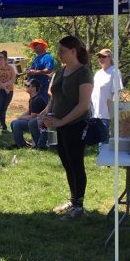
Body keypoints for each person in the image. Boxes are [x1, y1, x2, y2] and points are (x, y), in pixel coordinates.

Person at [40, 36, 92, 220]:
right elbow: (54, 98)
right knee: (67, 164)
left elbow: (83, 105)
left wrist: (61, 122)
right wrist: (45, 114)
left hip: (76, 126)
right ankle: (73, 200)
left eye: (62, 51)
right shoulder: (60, 72)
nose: (59, 54)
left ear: (73, 51)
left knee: (76, 164)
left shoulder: (83, 73)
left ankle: (79, 206)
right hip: (58, 126)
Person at [89, 48, 122, 149]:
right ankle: (101, 155)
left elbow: (116, 92)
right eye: (99, 56)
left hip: (106, 113)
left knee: (104, 140)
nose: (101, 59)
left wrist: (113, 111)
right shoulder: (98, 73)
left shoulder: (114, 72)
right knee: (98, 138)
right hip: (95, 111)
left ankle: (105, 157)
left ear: (110, 58)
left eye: (103, 56)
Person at [11, 79, 49, 149]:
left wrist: (20, 118)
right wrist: (20, 117)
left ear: (34, 88)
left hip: (39, 124)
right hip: (34, 121)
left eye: (28, 86)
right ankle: (20, 143)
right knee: (14, 122)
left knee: (17, 124)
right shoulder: (32, 98)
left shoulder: (37, 100)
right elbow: (29, 111)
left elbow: (32, 116)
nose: (26, 87)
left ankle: (20, 145)